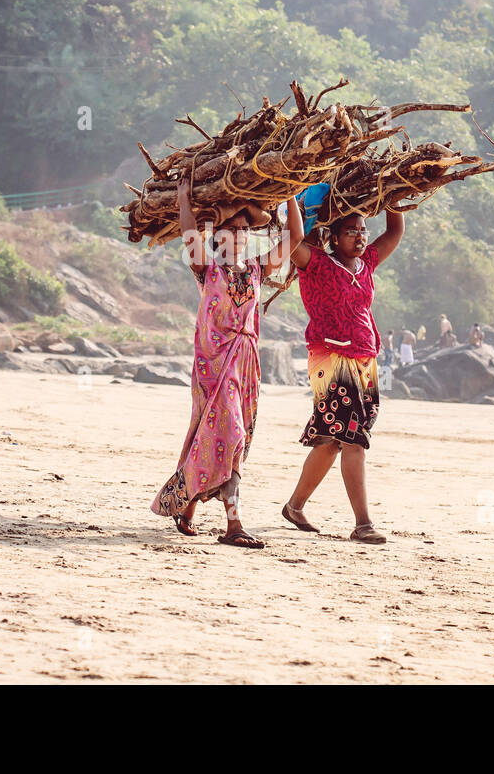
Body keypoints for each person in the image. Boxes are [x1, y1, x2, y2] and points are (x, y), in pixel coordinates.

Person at [151, 177, 304, 549]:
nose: (237, 235)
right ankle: (233, 524)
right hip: (213, 367)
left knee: (225, 439)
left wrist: (288, 197)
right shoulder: (208, 268)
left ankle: (186, 504)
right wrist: (186, 198)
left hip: (246, 366)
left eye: (242, 229)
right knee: (229, 436)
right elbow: (189, 234)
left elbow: (296, 236)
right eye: (229, 229)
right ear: (216, 236)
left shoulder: (256, 270)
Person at [281, 208, 405, 545]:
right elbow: (293, 242)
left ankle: (294, 506)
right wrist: (294, 198)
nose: (360, 236)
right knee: (352, 438)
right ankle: (363, 523)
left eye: (363, 230)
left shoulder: (368, 265)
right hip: (331, 356)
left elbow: (394, 232)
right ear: (333, 237)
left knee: (331, 440)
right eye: (351, 231)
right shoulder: (317, 263)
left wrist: (393, 197)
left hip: (365, 360)